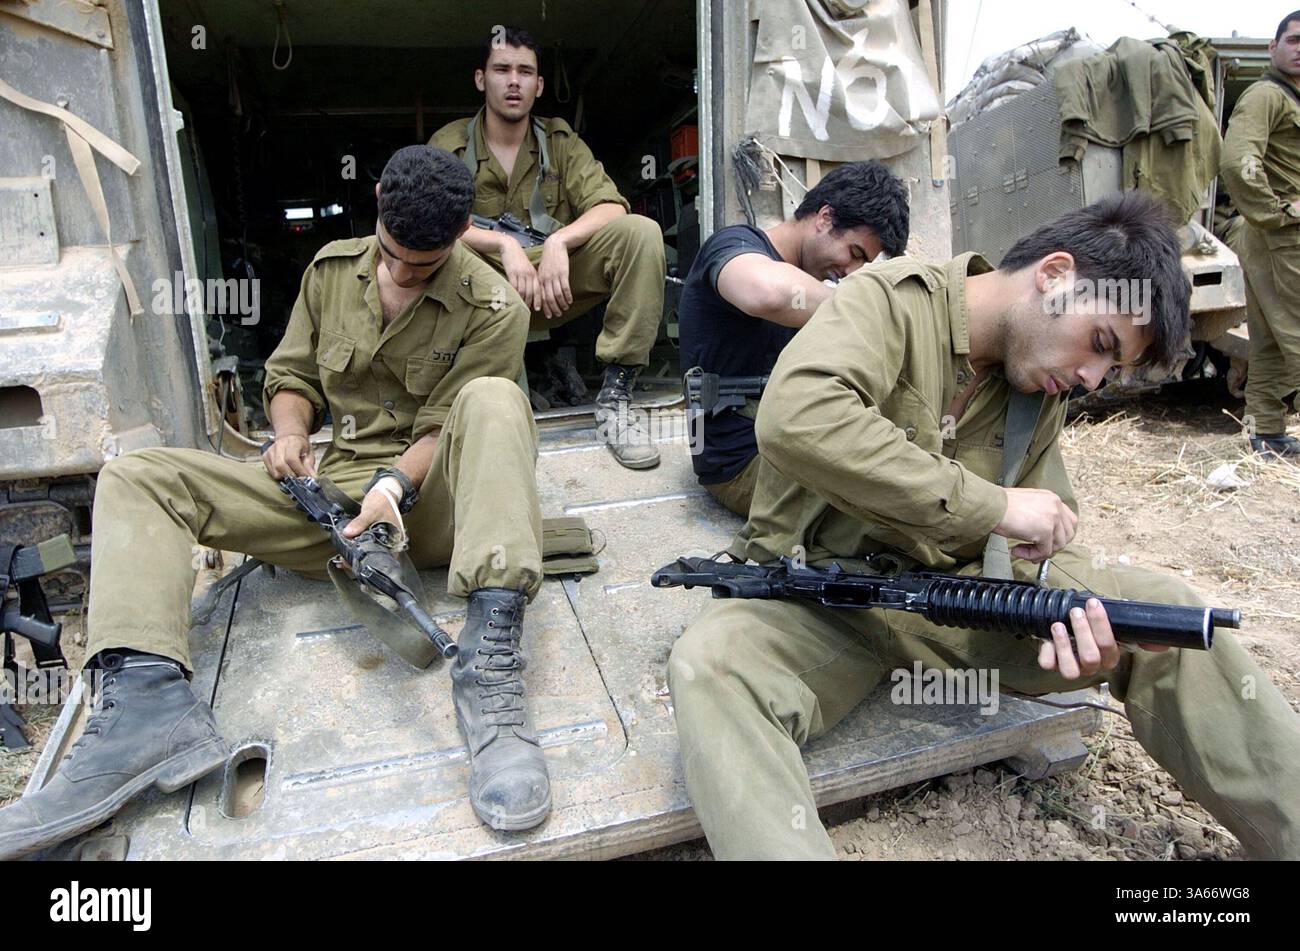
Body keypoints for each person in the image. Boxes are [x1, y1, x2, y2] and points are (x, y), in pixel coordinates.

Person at [667, 192, 1300, 860]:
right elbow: (796, 420)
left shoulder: (1041, 382)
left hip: (958, 600)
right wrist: (992, 505)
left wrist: (1064, 618)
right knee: (712, 667)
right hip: (819, 597)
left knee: (1160, 615)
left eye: (1109, 368)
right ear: (1054, 275)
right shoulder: (887, 300)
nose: (1090, 376)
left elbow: (1037, 542)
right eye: (1101, 344)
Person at [0, 146, 553, 860]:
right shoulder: (329, 272)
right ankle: (144, 704)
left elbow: (450, 424)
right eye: (393, 256)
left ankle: (492, 674)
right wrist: (290, 433)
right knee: (139, 477)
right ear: (378, 199)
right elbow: (292, 373)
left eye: (426, 265)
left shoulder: (492, 305)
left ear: (459, 235)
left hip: (434, 502)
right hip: (326, 503)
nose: (403, 275)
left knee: (498, 399)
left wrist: (392, 487)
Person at [430, 27, 666, 470]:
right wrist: (501, 244)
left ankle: (615, 399)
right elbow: (427, 221)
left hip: (553, 286)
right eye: (502, 69)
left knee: (641, 233)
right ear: (481, 79)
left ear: (539, 85)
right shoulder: (450, 144)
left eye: (525, 72)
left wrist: (560, 239)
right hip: (480, 294)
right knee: (435, 253)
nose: (513, 81)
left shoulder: (559, 141)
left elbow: (612, 206)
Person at [677, 161, 909, 515]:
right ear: (825, 218)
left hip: (794, 444)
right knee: (903, 506)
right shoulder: (734, 244)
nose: (851, 272)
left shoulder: (814, 286)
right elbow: (766, 293)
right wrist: (869, 308)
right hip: (743, 464)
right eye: (855, 253)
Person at [1220, 9, 1300, 458]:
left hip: (1273, 237)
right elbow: (1237, 162)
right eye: (1294, 40)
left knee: (1269, 340)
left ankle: (1266, 432)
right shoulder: (1267, 95)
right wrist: (1279, 211)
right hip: (1284, 236)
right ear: (1273, 48)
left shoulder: (1291, 99)